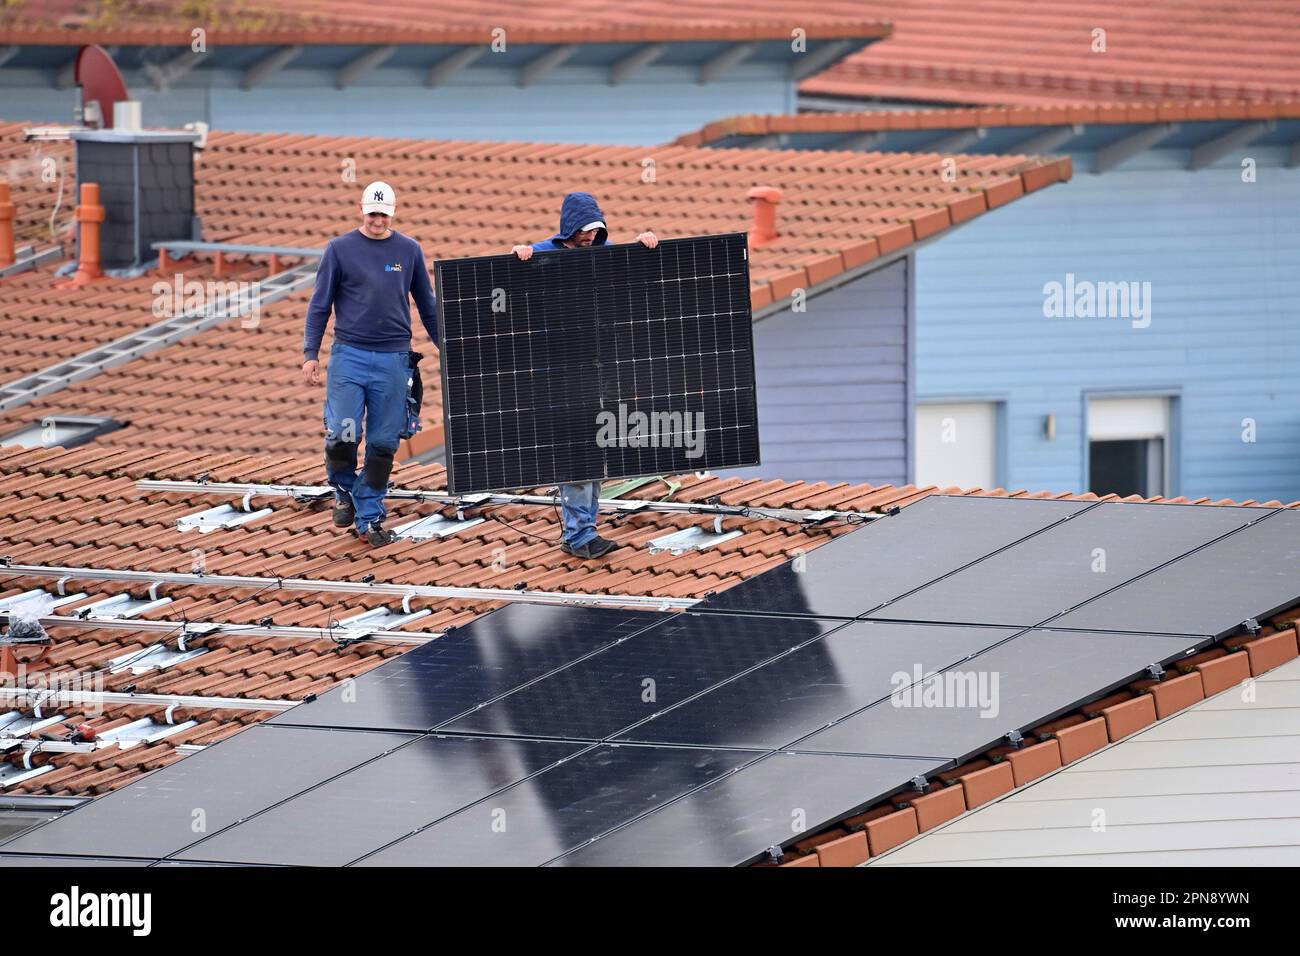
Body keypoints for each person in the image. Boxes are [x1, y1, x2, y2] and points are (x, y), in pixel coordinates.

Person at [512, 191, 657, 559]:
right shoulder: (545, 253)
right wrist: (518, 257)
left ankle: (586, 529)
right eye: (585, 231)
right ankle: (579, 536)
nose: (591, 237)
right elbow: (514, 279)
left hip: (596, 375)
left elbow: (629, 265)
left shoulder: (599, 255)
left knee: (593, 455)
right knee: (576, 456)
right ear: (571, 227)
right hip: (558, 377)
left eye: (597, 231)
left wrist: (643, 245)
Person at [302, 180, 438, 547]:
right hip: (350, 355)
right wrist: (310, 354)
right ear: (362, 210)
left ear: (392, 214)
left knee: (383, 442)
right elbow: (319, 304)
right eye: (373, 213)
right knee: (344, 432)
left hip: (393, 358)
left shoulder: (408, 250)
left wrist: (449, 346)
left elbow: (427, 304)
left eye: (384, 214)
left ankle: (370, 517)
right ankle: (343, 490)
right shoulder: (340, 250)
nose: (378, 220)